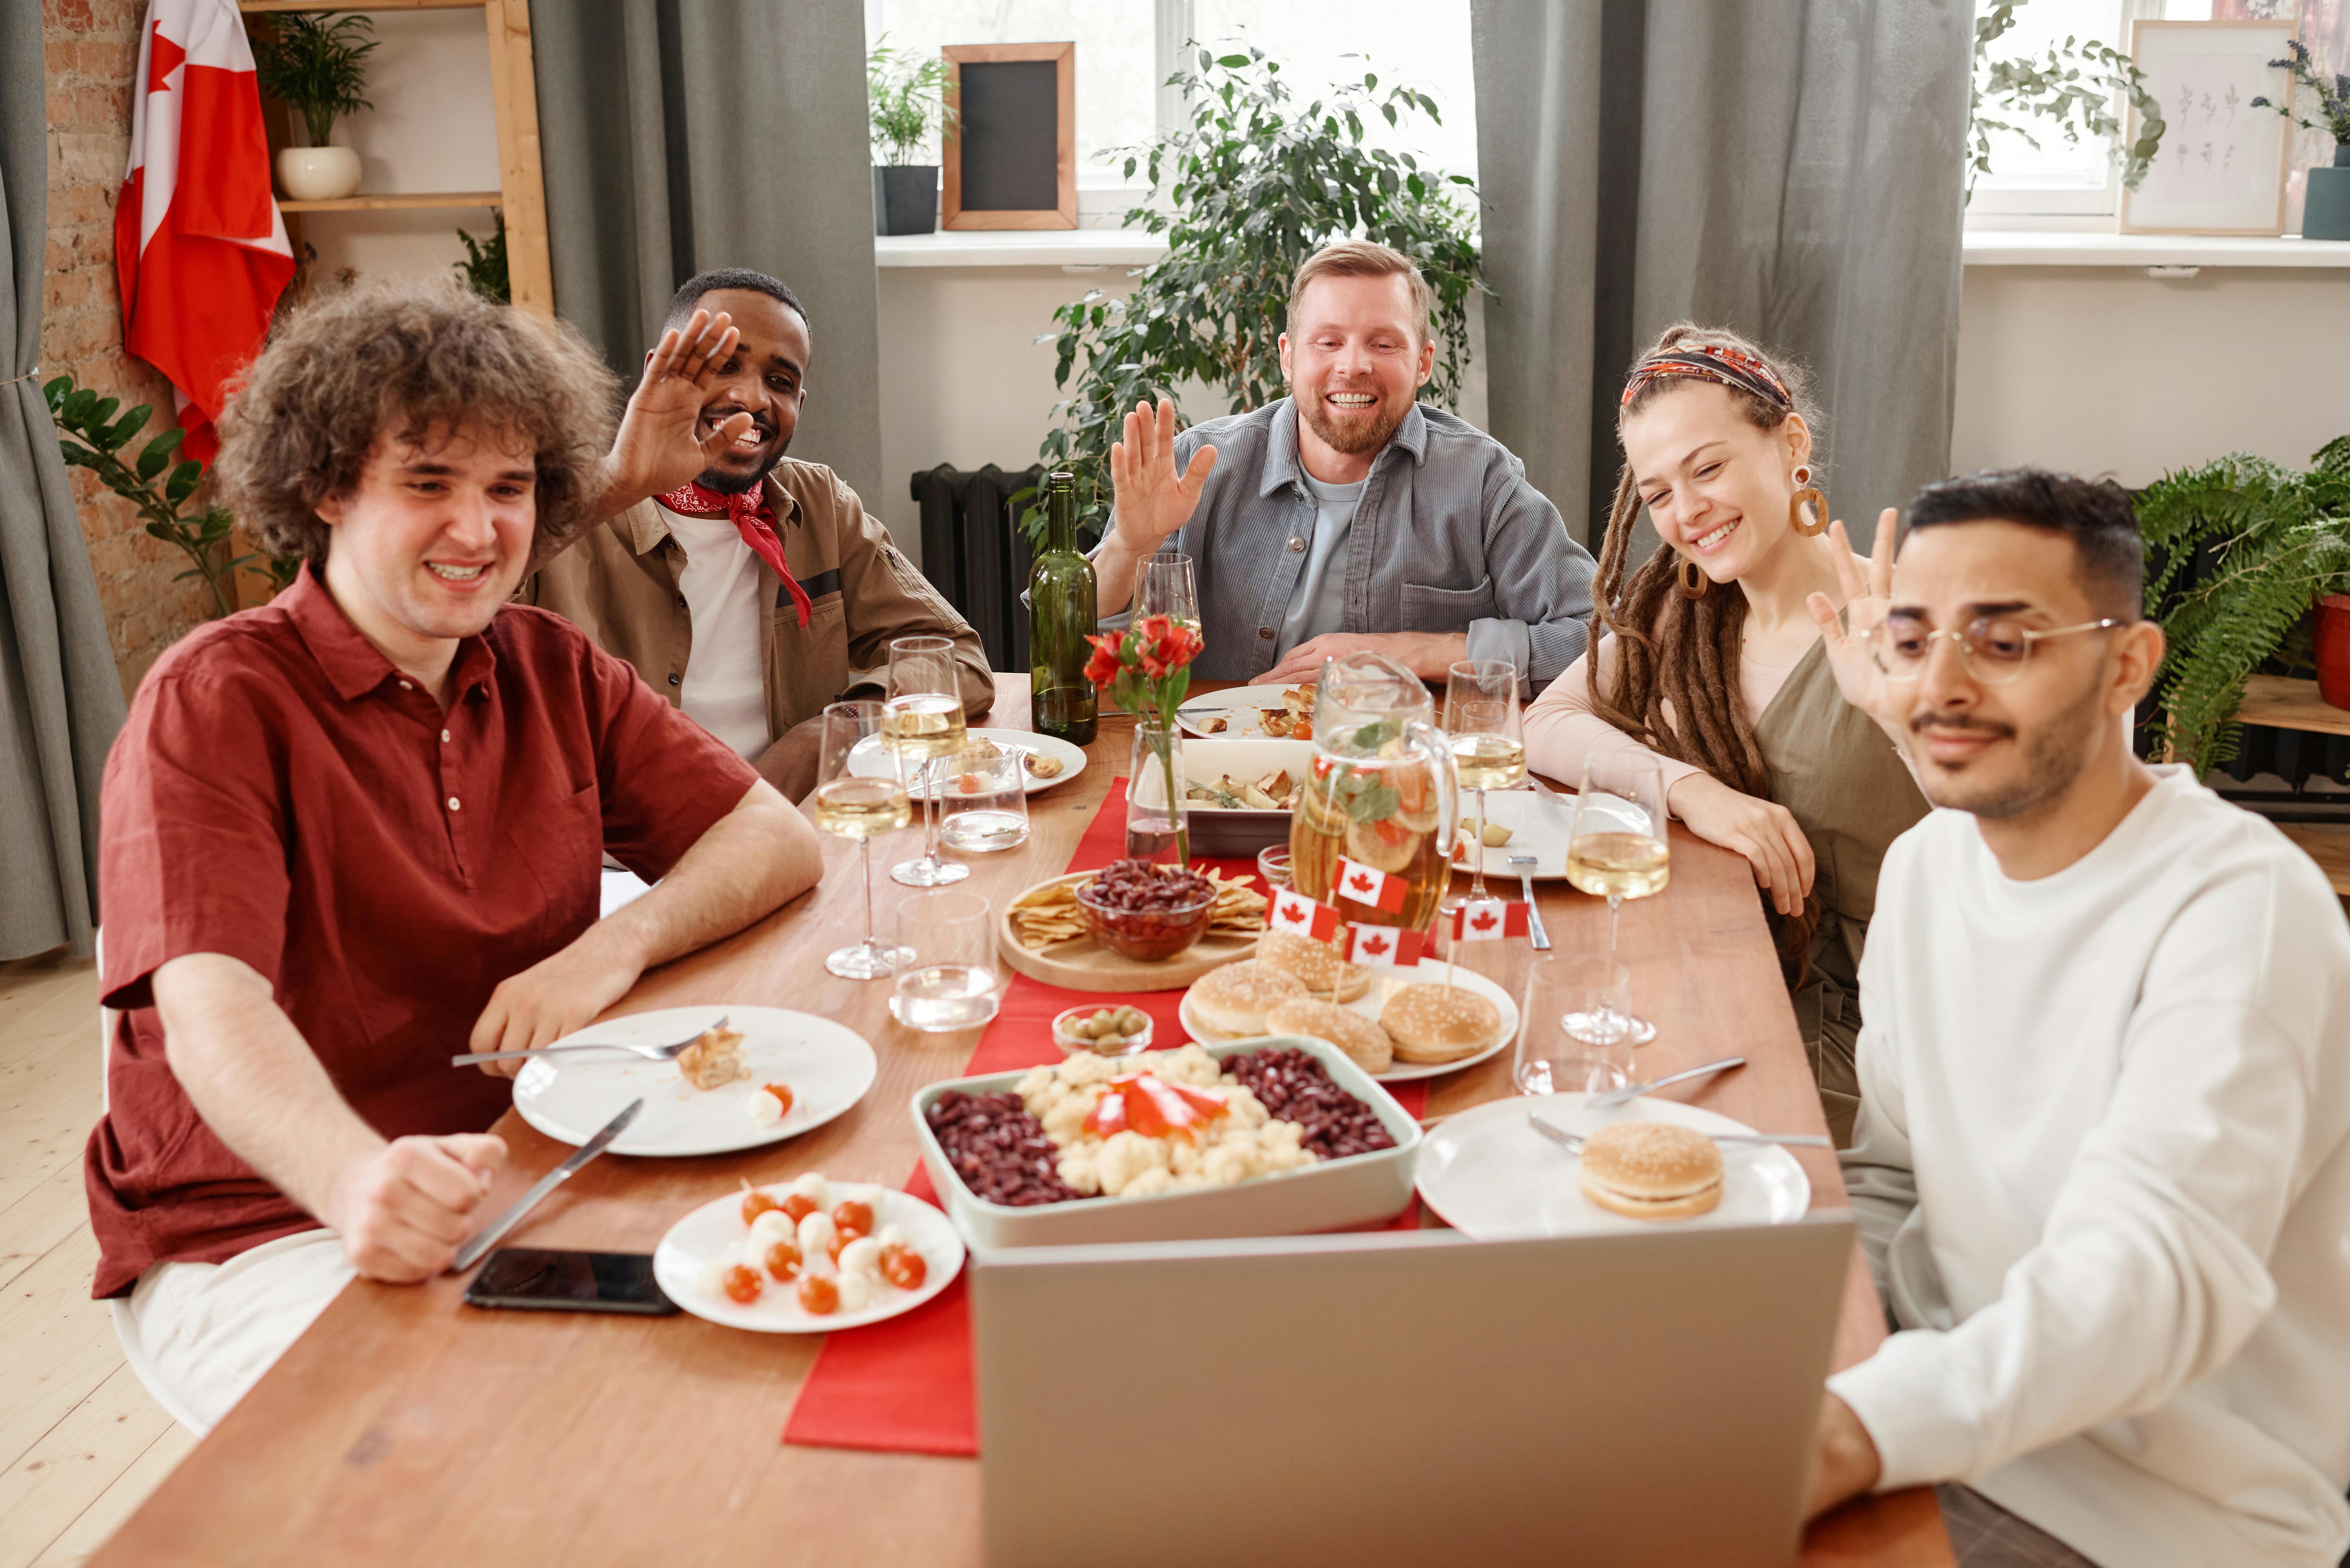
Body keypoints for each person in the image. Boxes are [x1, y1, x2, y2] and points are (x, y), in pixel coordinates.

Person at [87, 280, 825, 1433]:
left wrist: (611, 943)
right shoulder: (216, 696)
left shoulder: (544, 660)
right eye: (426, 483)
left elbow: (775, 835)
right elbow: (209, 1003)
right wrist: (350, 1178)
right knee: (470, 1465)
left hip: (528, 1152)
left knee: (766, 1370)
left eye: (508, 488)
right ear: (328, 487)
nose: (478, 531)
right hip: (278, 1215)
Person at [1800, 470, 2350, 1567]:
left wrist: (1859, 1425)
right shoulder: (1925, 868)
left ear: (2128, 666)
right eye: (1912, 640)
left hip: (2156, 1516)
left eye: (2005, 643)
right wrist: (1823, 1360)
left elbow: (2147, 1275)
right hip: (1936, 1425)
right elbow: (1892, 1175)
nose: (1941, 684)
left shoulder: (2239, 911)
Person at [1522, 325, 1925, 1145]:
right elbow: (1548, 723)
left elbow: (2015, 831)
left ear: (1790, 442)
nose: (1689, 511)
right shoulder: (1688, 613)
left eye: (1708, 468)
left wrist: (1909, 717)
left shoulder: (1898, 614)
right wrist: (1693, 792)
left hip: (1890, 1031)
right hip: (1747, 975)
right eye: (1660, 492)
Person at [529, 267, 992, 799]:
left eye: (780, 382)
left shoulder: (822, 504)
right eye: (724, 366)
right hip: (615, 863)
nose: (752, 399)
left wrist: (830, 731)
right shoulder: (564, 509)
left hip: (788, 830)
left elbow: (958, 660)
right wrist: (615, 486)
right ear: (658, 371)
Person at [1093, 239, 1596, 688]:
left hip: (1400, 769)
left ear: (1422, 363)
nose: (1353, 365)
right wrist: (1127, 548)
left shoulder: (1484, 480)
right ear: (1288, 357)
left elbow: (1600, 639)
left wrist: (1403, 652)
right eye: (1328, 342)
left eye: (1383, 343)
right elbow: (1078, 644)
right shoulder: (1195, 467)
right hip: (1220, 769)